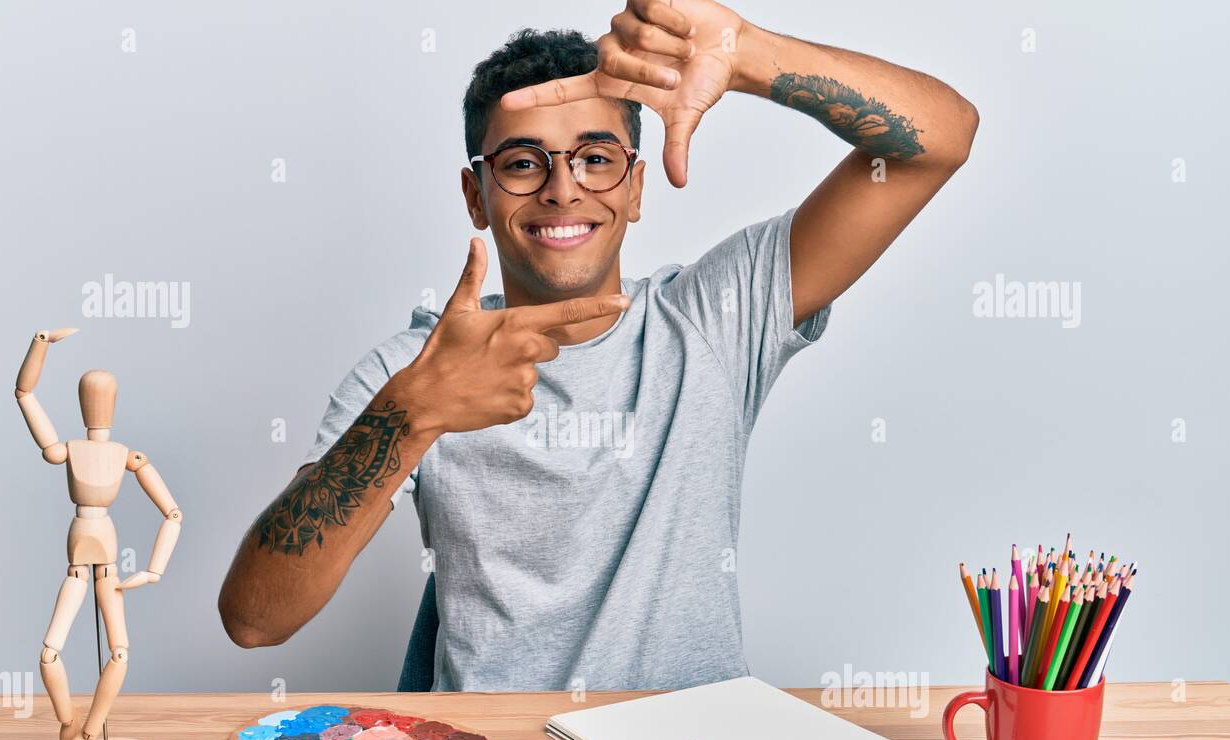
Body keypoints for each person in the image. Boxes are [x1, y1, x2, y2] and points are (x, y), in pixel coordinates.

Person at [218, 1, 979, 692]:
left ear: (636, 187)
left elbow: (940, 140)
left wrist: (749, 55)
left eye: (595, 156)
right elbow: (256, 619)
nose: (562, 188)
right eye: (522, 163)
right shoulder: (414, 369)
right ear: (476, 196)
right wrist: (411, 416)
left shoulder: (714, 319)